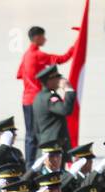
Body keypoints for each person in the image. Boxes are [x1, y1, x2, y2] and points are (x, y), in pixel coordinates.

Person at [14, 26, 77, 165]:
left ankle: (30, 163)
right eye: (43, 36)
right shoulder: (38, 55)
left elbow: (19, 74)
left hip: (26, 99)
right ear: (37, 38)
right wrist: (76, 44)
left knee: (30, 135)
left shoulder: (26, 55)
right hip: (37, 99)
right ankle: (32, 165)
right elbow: (62, 58)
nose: (45, 39)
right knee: (36, 135)